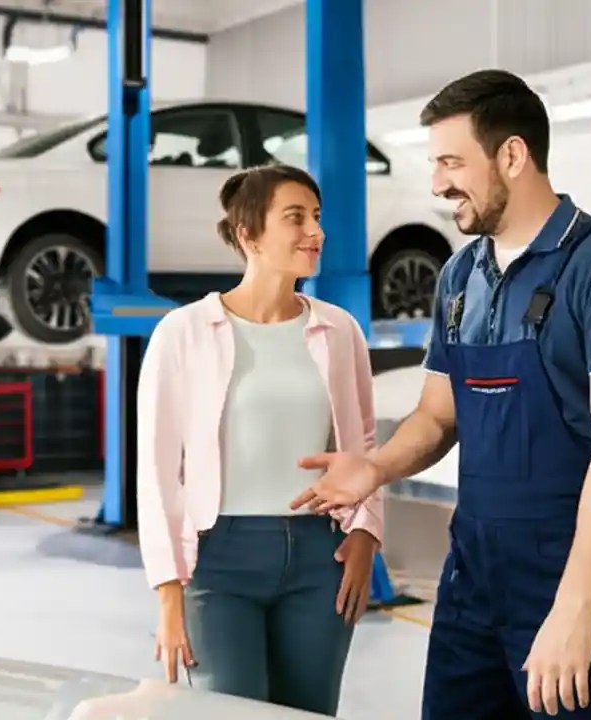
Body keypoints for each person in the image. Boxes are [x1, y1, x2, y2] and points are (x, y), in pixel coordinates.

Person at [290, 69, 591, 718]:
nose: (437, 184)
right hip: (474, 580)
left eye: (450, 162)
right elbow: (439, 416)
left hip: (578, 579)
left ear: (513, 155)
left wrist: (575, 609)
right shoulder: (461, 277)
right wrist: (374, 468)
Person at [135, 163, 384, 716]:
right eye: (295, 218)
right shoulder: (183, 333)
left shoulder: (339, 330)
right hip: (219, 562)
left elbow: (362, 441)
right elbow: (156, 471)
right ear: (249, 235)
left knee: (311, 713)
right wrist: (168, 592)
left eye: (317, 217)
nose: (314, 231)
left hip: (323, 557)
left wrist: (366, 535)